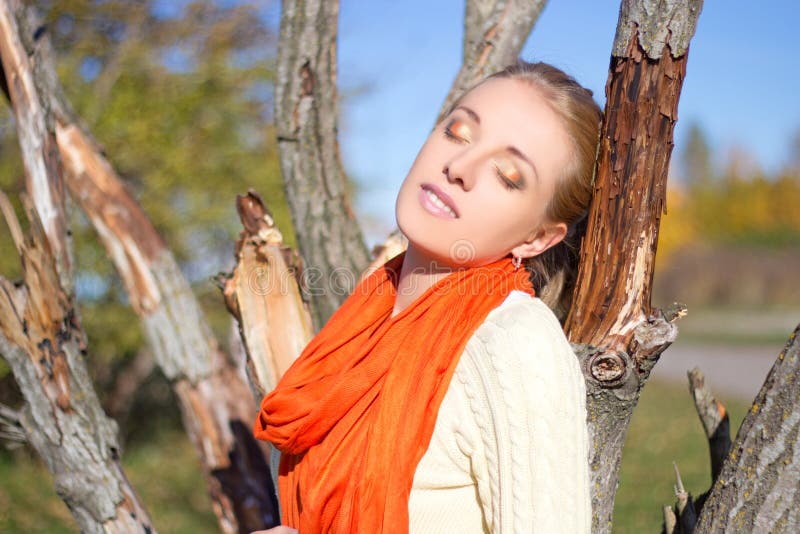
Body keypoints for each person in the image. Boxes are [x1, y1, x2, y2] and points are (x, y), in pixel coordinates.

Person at [253, 60, 601, 533]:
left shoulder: (516, 342)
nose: (459, 168)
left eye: (507, 175)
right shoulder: (366, 315)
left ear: (537, 238)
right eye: (458, 132)